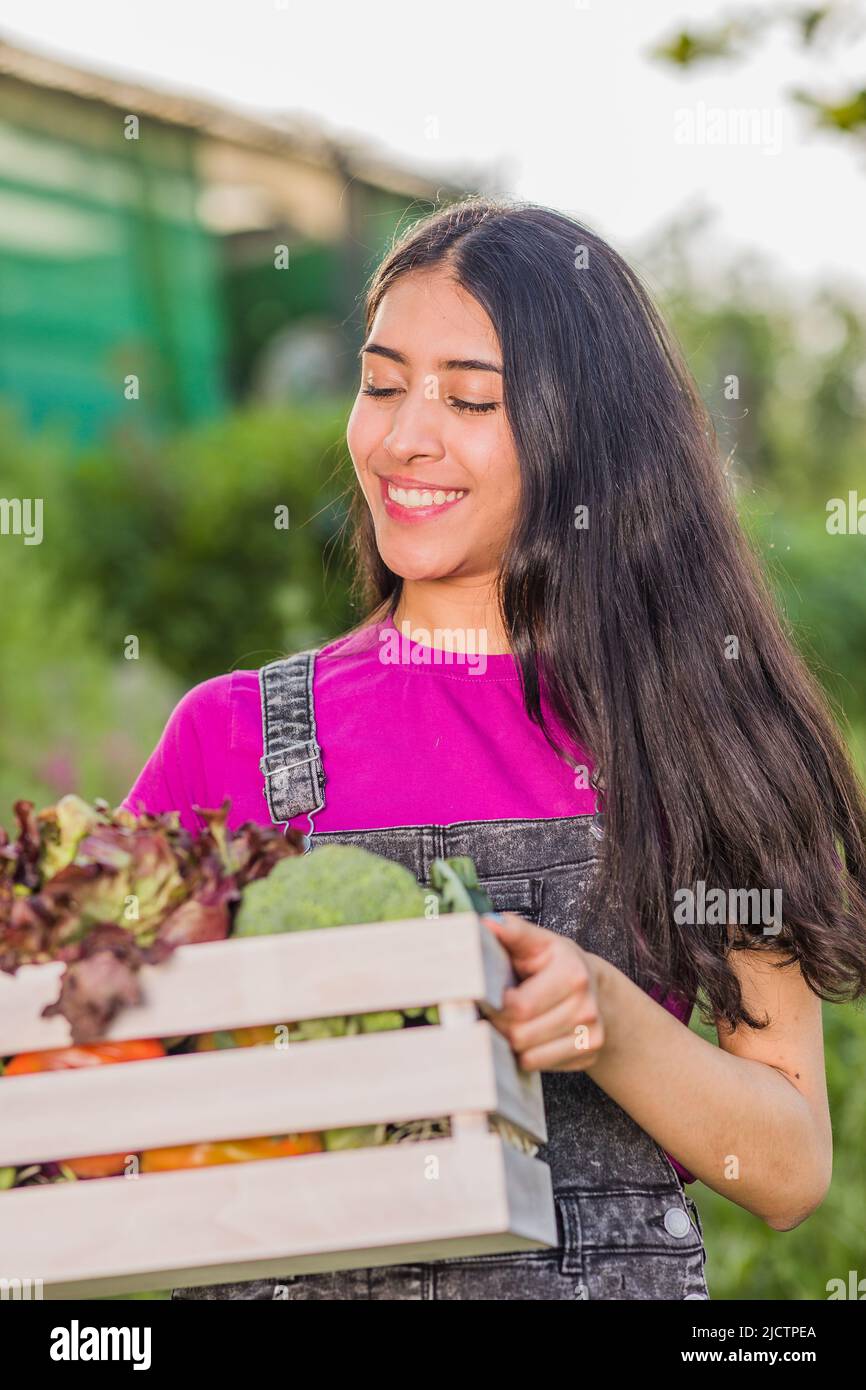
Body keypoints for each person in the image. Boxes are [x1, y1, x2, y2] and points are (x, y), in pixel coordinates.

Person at [123, 197, 866, 1301]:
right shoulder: (229, 736)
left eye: (468, 397)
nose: (400, 436)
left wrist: (607, 1021)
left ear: (586, 432)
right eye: (379, 384)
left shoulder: (703, 733)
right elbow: (97, 1081)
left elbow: (788, 1169)